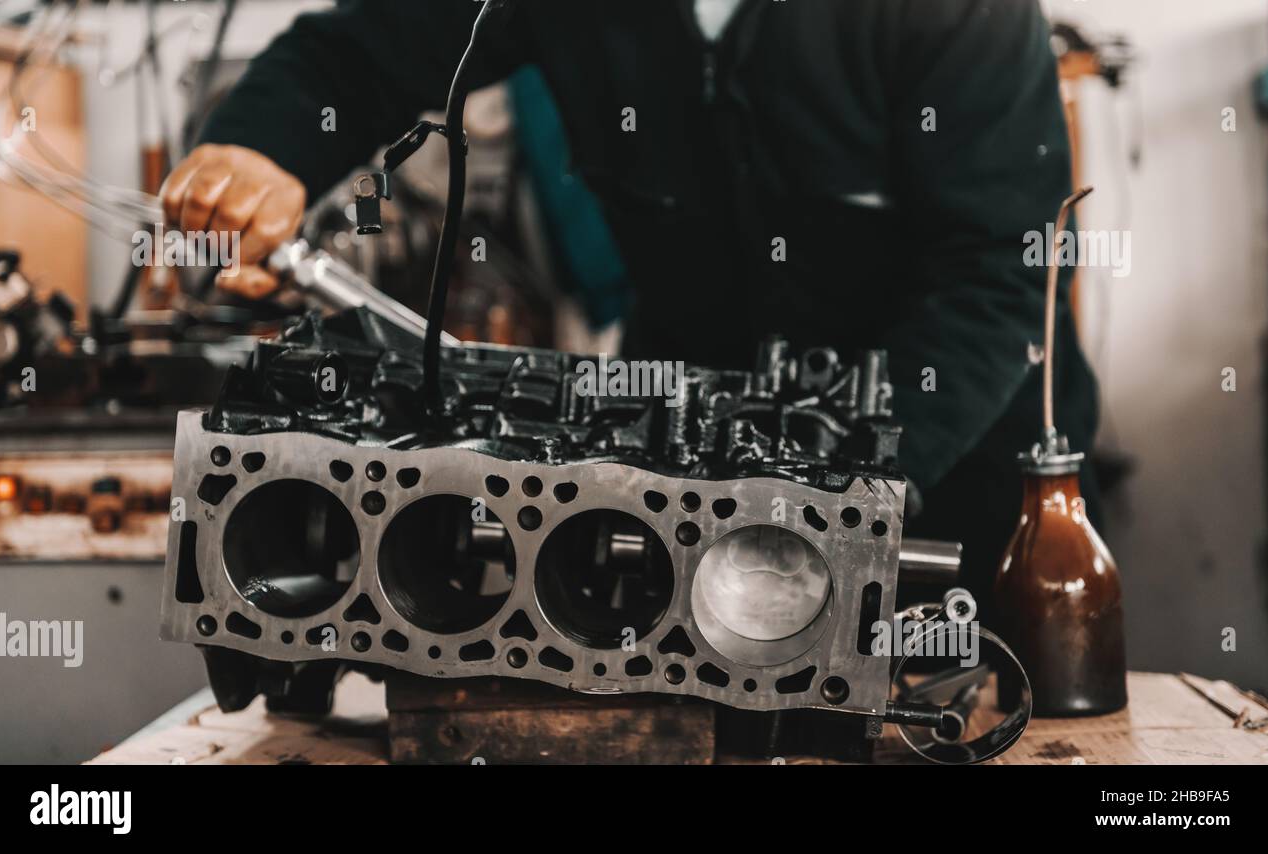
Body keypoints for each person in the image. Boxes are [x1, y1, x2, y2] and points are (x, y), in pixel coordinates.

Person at [161, 0, 1100, 603]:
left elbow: (999, 273)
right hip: (691, 468)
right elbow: (349, 56)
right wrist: (258, 150)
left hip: (958, 471)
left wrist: (840, 497)